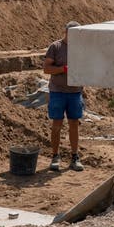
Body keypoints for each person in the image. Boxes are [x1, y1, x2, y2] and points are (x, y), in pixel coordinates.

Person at [43, 20, 85, 172]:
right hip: (58, 92)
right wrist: (63, 69)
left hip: (75, 92)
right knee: (57, 125)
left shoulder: (82, 49)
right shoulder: (56, 47)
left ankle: (75, 157)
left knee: (74, 125)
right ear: (66, 32)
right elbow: (47, 69)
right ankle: (55, 156)